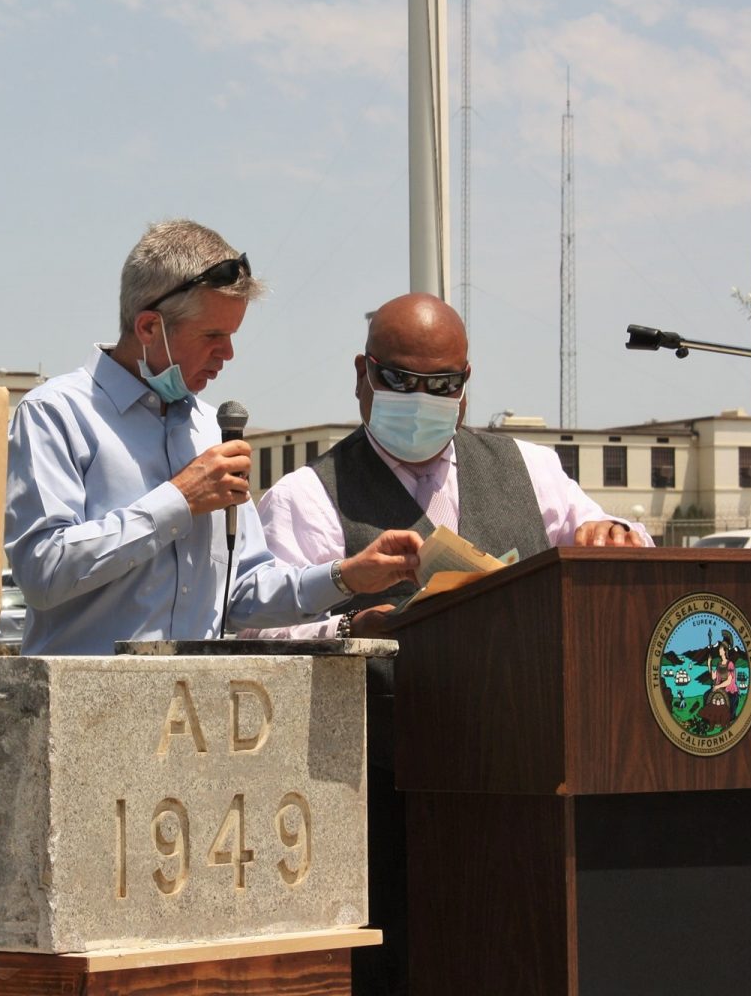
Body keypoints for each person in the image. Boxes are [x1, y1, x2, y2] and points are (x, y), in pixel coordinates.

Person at [248, 292, 653, 995]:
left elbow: (622, 542)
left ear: (466, 388)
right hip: (385, 795)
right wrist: (350, 627)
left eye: (443, 385)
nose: (421, 398)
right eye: (400, 380)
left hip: (519, 781)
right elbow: (265, 639)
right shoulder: (306, 496)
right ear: (363, 376)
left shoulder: (528, 467)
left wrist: (614, 534)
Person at [4, 219, 423, 655]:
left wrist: (347, 576)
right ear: (149, 327)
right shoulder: (56, 413)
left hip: (194, 709)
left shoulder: (209, 429)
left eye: (232, 335)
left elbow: (241, 593)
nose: (227, 353)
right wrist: (178, 499)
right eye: (212, 336)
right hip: (87, 709)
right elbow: (42, 573)